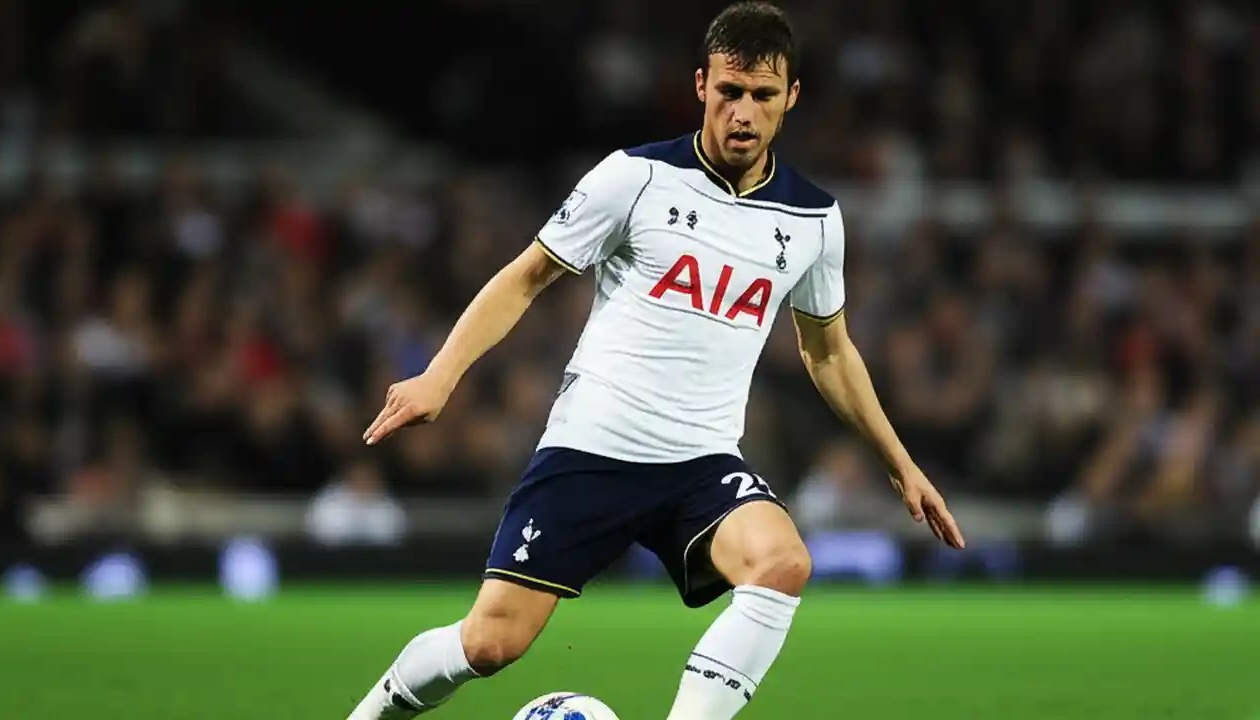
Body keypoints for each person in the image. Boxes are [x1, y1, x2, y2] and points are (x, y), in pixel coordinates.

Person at [348, 4, 964, 718]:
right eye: (730, 91)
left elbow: (827, 349)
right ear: (701, 85)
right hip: (594, 447)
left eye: (763, 96)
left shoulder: (813, 220)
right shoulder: (634, 178)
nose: (744, 112)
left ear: (790, 98)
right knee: (491, 644)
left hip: (701, 461)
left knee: (782, 562)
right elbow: (526, 276)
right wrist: (439, 375)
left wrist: (900, 463)